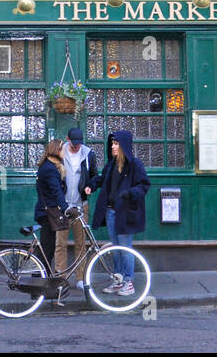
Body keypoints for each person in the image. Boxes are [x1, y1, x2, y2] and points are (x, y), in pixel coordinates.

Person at [90, 130, 150, 297]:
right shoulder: (111, 164)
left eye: (116, 144)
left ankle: (128, 282)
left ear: (124, 146)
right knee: (116, 249)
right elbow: (102, 179)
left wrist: (129, 193)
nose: (113, 147)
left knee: (125, 249)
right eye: (112, 143)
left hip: (125, 212)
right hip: (111, 212)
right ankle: (118, 280)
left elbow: (144, 185)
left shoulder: (135, 164)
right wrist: (91, 185)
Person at [56, 127, 97, 285]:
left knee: (81, 243)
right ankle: (61, 277)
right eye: (74, 144)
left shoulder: (88, 154)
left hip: (81, 205)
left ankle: (80, 278)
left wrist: (90, 186)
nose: (77, 147)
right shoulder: (60, 153)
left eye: (79, 144)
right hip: (63, 206)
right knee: (60, 243)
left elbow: (94, 176)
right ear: (67, 139)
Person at [34, 138, 67, 274]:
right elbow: (56, 191)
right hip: (47, 213)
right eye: (63, 150)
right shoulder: (50, 169)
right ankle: (40, 284)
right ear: (57, 151)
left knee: (47, 250)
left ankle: (43, 280)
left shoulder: (49, 166)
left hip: (46, 212)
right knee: (46, 251)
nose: (64, 152)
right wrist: (65, 207)